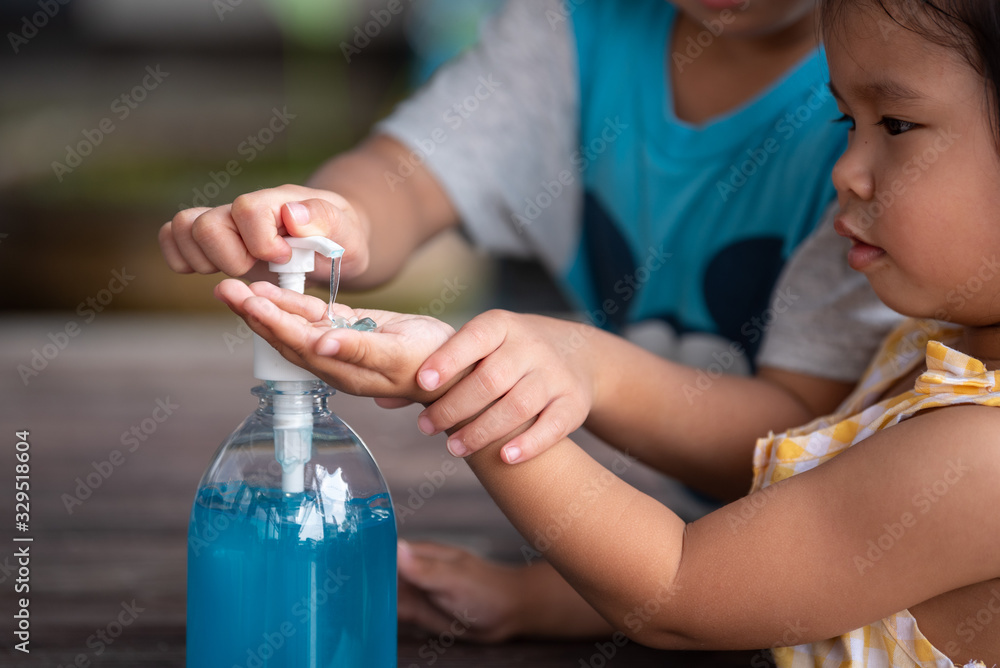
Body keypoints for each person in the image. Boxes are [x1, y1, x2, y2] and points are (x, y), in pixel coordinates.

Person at [216, 0, 1000, 662]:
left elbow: (682, 590)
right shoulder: (929, 354)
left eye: (896, 125)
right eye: (847, 122)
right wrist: (535, 599)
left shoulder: (980, 455)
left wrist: (474, 385)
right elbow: (791, 566)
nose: (843, 168)